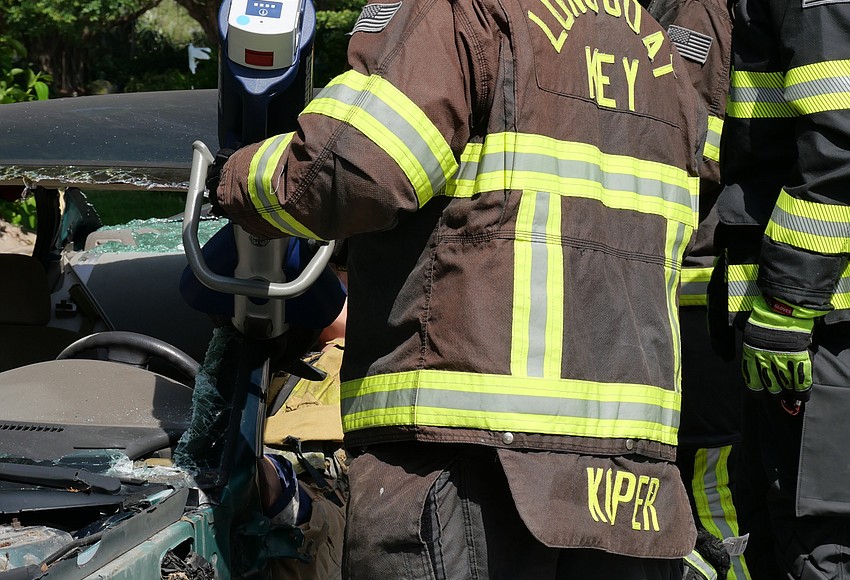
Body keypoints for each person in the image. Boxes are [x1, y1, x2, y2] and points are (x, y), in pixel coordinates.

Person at [212, 0, 707, 575]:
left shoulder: (463, 12)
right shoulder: (654, 47)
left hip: (471, 462)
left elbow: (358, 166)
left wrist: (231, 178)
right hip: (633, 485)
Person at [710, 0, 850, 576]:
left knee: (817, 551)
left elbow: (840, 137)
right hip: (804, 323)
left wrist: (788, 297)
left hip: (819, 327)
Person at [639, 0, 751, 578]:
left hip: (702, 297)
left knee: (709, 495)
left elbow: (689, 141)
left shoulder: (699, 13)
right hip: (690, 289)